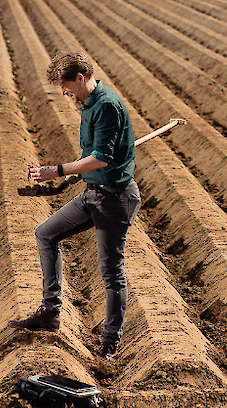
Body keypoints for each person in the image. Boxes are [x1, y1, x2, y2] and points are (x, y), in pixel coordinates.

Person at [9, 52, 140, 362]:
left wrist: (58, 170)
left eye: (65, 86)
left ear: (80, 78)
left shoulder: (107, 106)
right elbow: (95, 158)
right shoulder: (91, 104)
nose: (63, 92)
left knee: (111, 273)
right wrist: (72, 178)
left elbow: (101, 159)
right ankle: (50, 313)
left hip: (114, 199)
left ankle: (110, 343)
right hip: (95, 193)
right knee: (46, 233)